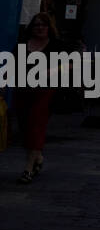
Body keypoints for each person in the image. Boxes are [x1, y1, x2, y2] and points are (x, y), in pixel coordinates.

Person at [14, 13, 60, 184]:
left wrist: (51, 71)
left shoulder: (55, 46)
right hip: (23, 91)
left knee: (36, 125)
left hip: (45, 92)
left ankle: (28, 168)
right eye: (36, 25)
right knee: (25, 127)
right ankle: (38, 157)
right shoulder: (22, 46)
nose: (40, 28)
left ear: (49, 28)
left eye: (43, 25)